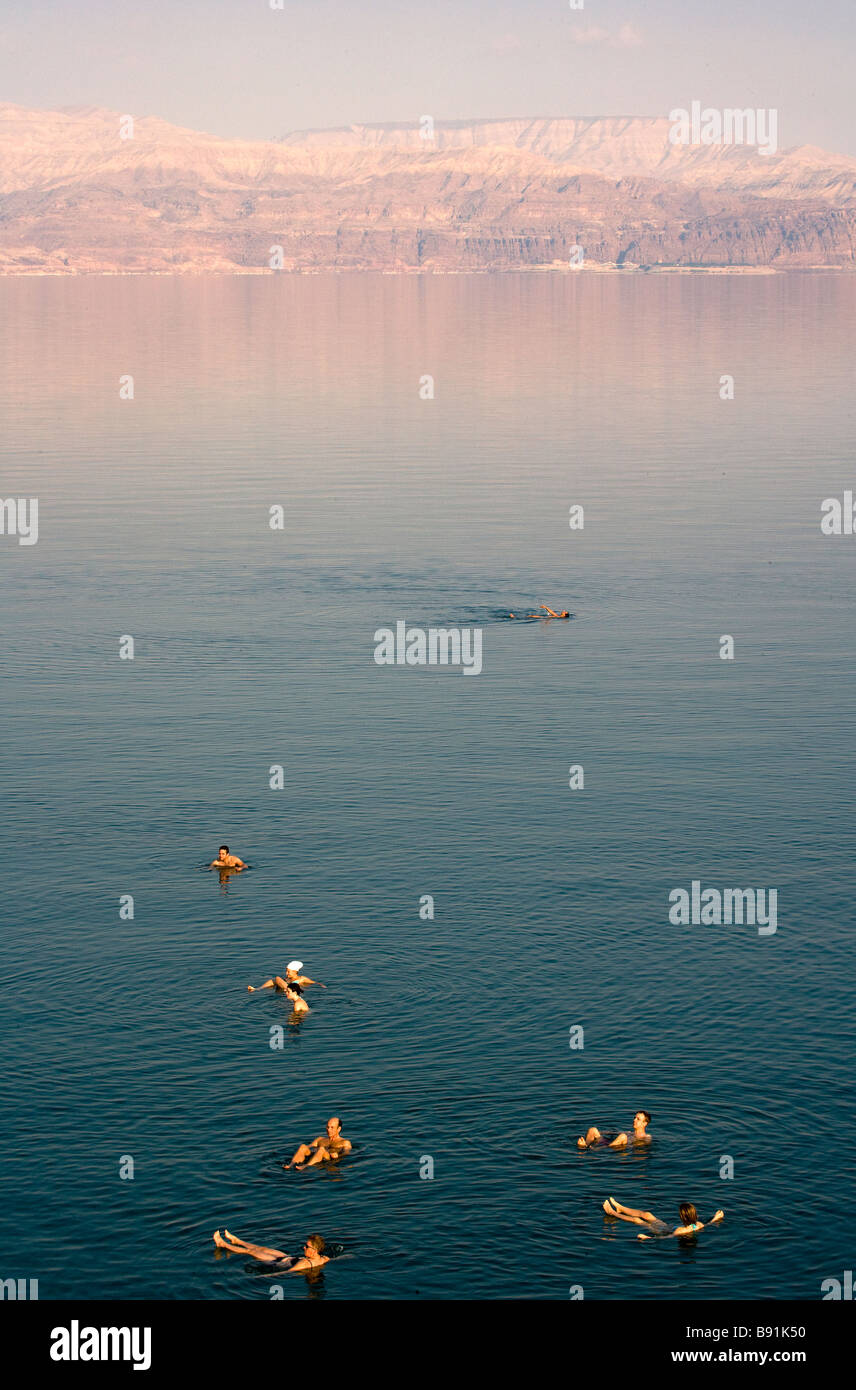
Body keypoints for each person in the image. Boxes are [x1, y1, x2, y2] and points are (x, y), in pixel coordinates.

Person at [602, 1197, 724, 1240]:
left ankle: (612, 1212)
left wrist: (647, 1238)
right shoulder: (698, 1224)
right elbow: (707, 1226)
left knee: (637, 1220)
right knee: (647, 1214)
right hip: (665, 1226)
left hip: (660, 1230)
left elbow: (665, 1238)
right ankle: (620, 1207)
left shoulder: (679, 1231)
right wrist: (715, 1218)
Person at [213, 1229, 328, 1271]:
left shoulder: (304, 1263)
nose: (304, 1247)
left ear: (314, 1250)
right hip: (287, 1258)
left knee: (250, 1252)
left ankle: (222, 1244)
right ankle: (237, 1241)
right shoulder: (324, 1258)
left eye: (307, 1246)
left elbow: (286, 1273)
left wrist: (263, 1277)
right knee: (263, 1248)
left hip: (278, 1262)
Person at [284, 1116, 352, 1170]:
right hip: (317, 1156)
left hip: (329, 1159)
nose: (329, 1130)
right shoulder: (320, 1139)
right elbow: (308, 1147)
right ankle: (291, 1164)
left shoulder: (345, 1142)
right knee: (303, 1146)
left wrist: (338, 1155)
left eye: (332, 1128)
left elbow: (346, 1153)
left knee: (321, 1149)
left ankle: (306, 1166)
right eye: (327, 1127)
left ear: (339, 1129)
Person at [578, 1111, 651, 1149]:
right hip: (610, 1143)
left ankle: (591, 1148)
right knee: (592, 1130)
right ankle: (586, 1147)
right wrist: (599, 1133)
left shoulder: (647, 1137)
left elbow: (638, 1148)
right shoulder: (629, 1132)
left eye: (638, 1119)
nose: (634, 1120)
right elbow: (612, 1133)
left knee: (623, 1136)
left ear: (644, 1123)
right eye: (634, 1117)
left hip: (615, 1147)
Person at [248, 960, 325, 991]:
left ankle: (288, 989)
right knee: (274, 980)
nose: (286, 973)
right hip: (284, 992)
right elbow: (272, 982)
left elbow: (313, 982)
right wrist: (259, 988)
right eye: (286, 971)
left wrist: (321, 985)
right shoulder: (286, 979)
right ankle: (257, 989)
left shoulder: (302, 979)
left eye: (288, 971)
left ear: (295, 971)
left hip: (290, 992)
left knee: (277, 978)